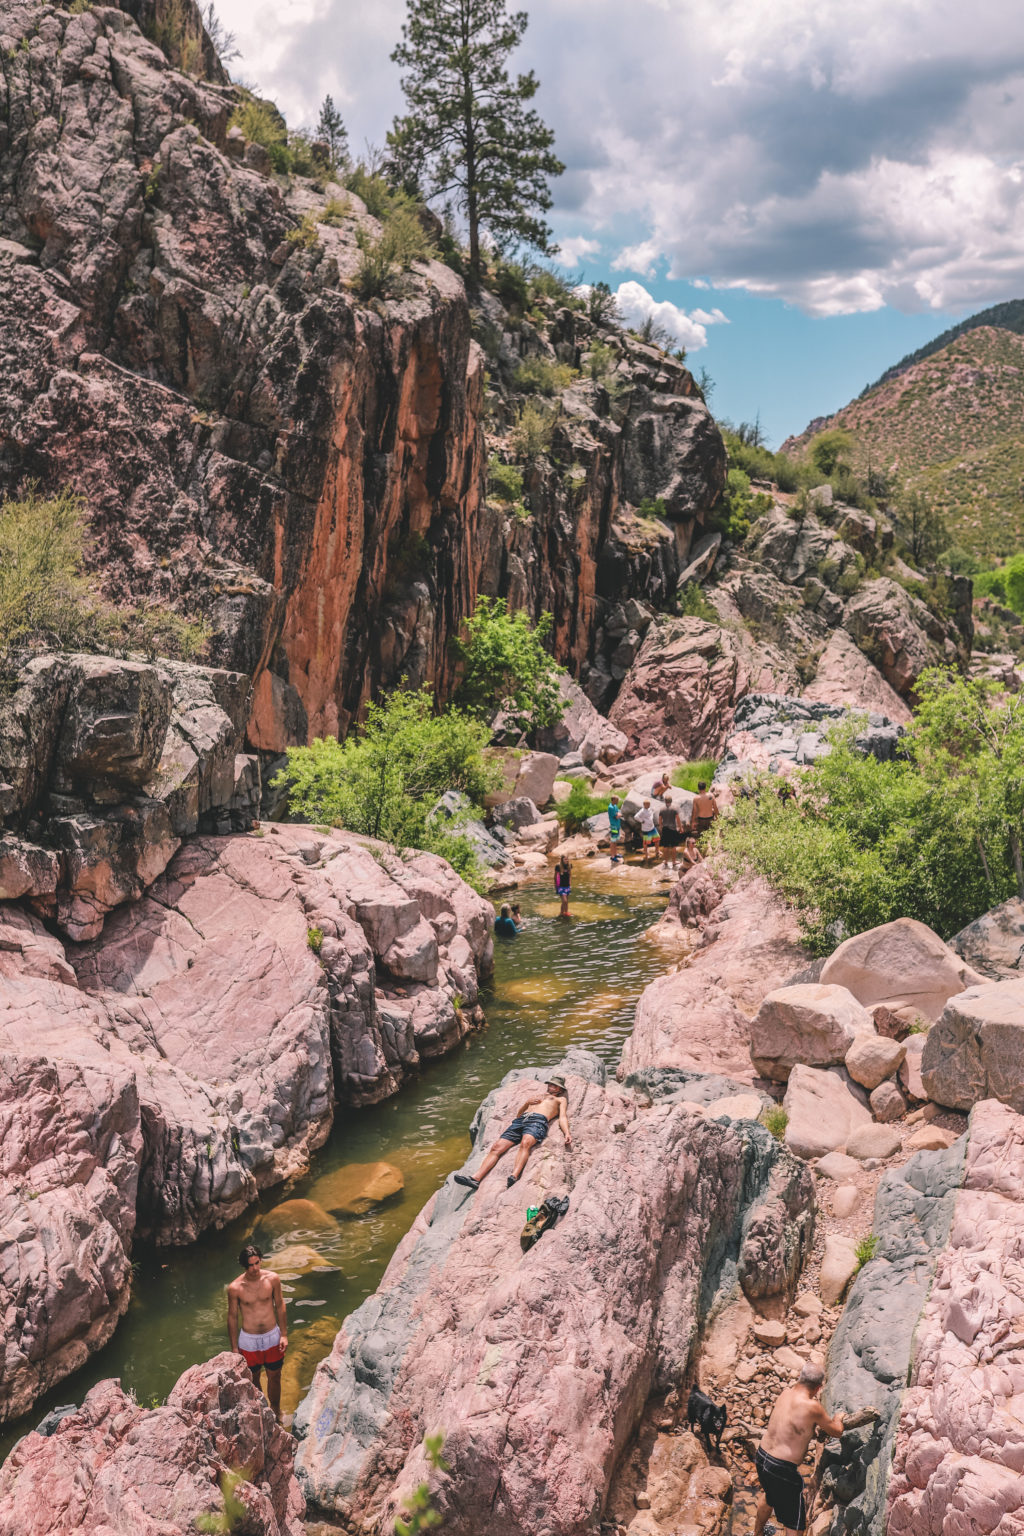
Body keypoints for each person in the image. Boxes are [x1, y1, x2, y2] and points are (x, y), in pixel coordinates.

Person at [753, 1363, 843, 1536]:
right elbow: (837, 1431)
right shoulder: (812, 1406)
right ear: (818, 1388)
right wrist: (839, 1418)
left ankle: (757, 1533)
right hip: (781, 1468)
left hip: (762, 1456)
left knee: (770, 1496)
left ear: (800, 1378)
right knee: (796, 1524)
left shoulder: (786, 1393)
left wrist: (811, 1430)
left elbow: (793, 1426)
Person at [454, 1077, 572, 1190]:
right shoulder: (538, 1096)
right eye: (550, 1084)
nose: (550, 1086)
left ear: (560, 1089)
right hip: (521, 1120)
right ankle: (475, 1178)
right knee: (496, 1147)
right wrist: (527, 1103)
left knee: (526, 1143)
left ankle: (514, 1176)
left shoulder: (561, 1100)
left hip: (538, 1121)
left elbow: (562, 1117)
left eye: (554, 1085)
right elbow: (519, 1115)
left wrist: (566, 1133)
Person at [227, 1244, 288, 1419]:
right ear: (244, 1266)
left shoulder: (272, 1279)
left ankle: (276, 1410)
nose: (254, 1268)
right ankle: (262, 1412)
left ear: (261, 1260)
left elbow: (280, 1304)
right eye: (250, 1265)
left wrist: (284, 1334)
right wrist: (234, 1348)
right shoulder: (235, 1287)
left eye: (257, 1263)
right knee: (253, 1380)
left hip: (272, 1336)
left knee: (275, 1376)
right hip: (249, 1340)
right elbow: (232, 1317)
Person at [658, 794, 683, 867]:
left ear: (665, 801)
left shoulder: (662, 809)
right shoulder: (674, 809)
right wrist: (680, 828)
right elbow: (677, 819)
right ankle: (674, 861)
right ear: (671, 801)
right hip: (672, 829)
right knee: (673, 846)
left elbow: (660, 819)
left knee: (665, 846)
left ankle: (665, 861)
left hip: (665, 829)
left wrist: (660, 827)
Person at [636, 799, 659, 863]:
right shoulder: (642, 811)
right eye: (647, 804)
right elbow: (636, 817)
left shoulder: (650, 809)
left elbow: (653, 810)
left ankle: (657, 851)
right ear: (644, 805)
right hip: (646, 829)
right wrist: (642, 821)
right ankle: (646, 854)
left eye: (649, 804)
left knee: (657, 839)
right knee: (646, 842)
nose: (649, 805)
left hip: (652, 827)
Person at [607, 795, 623, 864]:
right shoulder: (610, 807)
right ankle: (612, 856)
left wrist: (619, 814)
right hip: (614, 826)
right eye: (617, 800)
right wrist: (620, 815)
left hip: (617, 825)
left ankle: (615, 854)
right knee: (613, 840)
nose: (618, 801)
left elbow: (618, 813)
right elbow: (617, 816)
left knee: (616, 840)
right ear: (613, 800)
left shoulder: (615, 806)